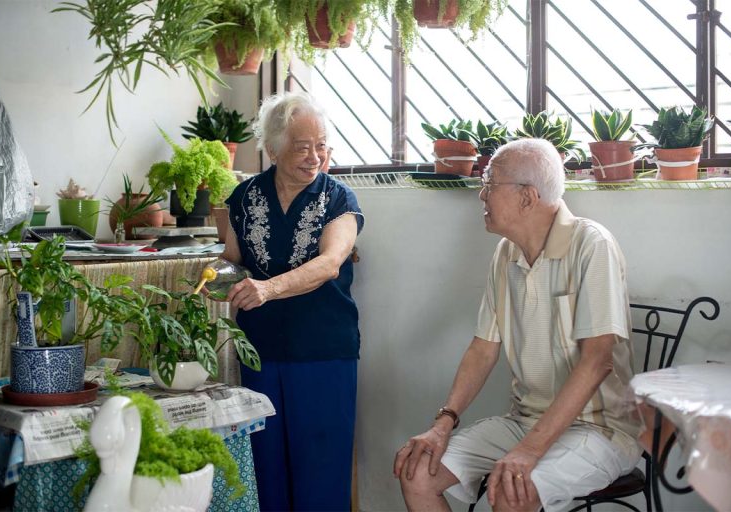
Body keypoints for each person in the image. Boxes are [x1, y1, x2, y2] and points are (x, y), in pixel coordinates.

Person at [393, 138, 641, 512]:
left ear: (527, 196)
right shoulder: (505, 254)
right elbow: (483, 348)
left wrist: (528, 451)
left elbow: (597, 361)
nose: (481, 195)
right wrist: (443, 423)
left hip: (599, 430)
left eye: (490, 183)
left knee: (512, 491)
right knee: (418, 473)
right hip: (524, 420)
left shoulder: (592, 244)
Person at [211, 91, 364, 511]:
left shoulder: (338, 199)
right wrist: (211, 278)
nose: (315, 156)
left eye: (322, 145)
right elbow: (232, 260)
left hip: (322, 352)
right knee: (265, 470)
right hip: (260, 352)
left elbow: (331, 263)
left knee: (321, 469)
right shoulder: (244, 198)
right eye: (302, 147)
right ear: (274, 149)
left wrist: (267, 288)